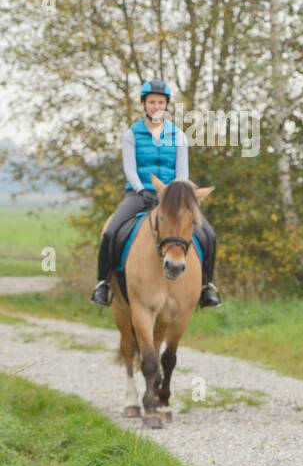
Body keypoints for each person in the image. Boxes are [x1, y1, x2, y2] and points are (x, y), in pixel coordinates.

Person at [91, 80, 221, 308]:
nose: (156, 106)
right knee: (111, 233)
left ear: (166, 105)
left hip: (173, 198)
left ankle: (205, 287)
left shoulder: (178, 136)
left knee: (209, 235)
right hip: (138, 194)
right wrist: (141, 191)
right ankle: (103, 284)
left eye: (160, 102)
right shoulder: (132, 134)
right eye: (151, 102)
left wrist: (172, 194)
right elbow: (130, 168)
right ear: (144, 104)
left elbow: (182, 172)